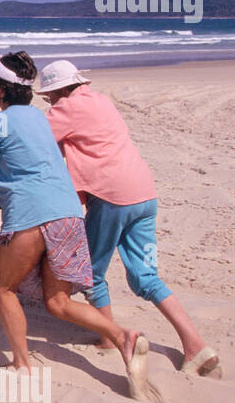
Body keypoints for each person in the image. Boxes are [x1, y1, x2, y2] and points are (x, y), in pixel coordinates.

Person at [0, 51, 158, 401]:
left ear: (1, 90)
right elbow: (12, 148)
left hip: (30, 216)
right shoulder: (41, 119)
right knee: (58, 302)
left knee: (2, 287)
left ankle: (22, 364)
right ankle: (123, 337)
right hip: (69, 213)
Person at [37, 60, 220, 377]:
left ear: (61, 89)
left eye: (50, 95)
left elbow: (35, 140)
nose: (50, 102)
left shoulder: (67, 107)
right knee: (146, 278)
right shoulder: (102, 100)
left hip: (111, 197)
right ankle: (195, 345)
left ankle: (110, 338)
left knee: (90, 273)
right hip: (144, 193)